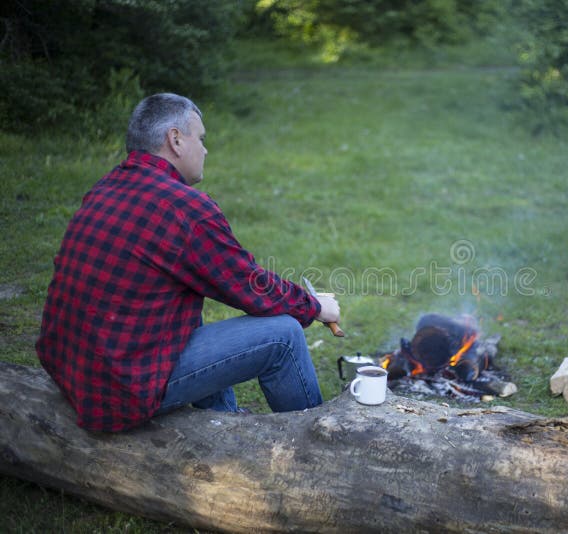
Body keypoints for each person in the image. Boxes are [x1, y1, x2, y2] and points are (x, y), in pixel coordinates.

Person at [36, 93, 340, 432]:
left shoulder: (106, 187)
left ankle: (223, 426)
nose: (205, 149)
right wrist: (314, 307)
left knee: (185, 309)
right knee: (283, 335)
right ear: (176, 140)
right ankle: (315, 444)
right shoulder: (184, 208)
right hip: (119, 389)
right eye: (201, 138)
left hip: (73, 369)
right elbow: (248, 285)